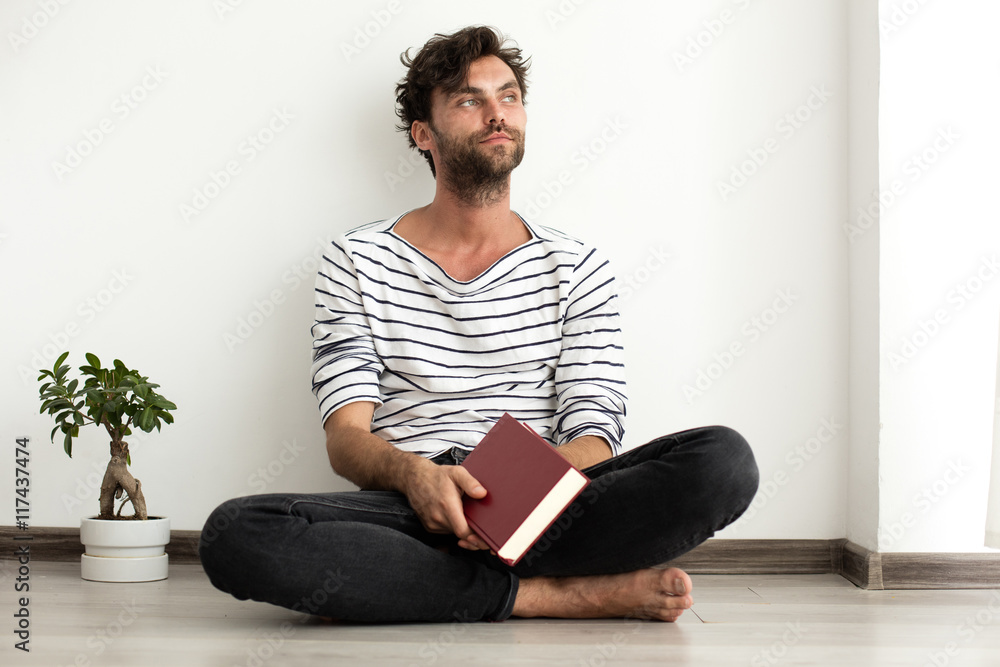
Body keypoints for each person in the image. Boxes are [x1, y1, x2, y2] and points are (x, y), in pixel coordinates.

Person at [199, 25, 759, 624]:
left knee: (723, 460)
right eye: (470, 99)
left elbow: (594, 430)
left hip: (547, 506)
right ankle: (555, 595)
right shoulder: (356, 259)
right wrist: (418, 478)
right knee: (237, 532)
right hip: (413, 507)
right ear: (424, 133)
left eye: (509, 96)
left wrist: (510, 504)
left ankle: (423, 586)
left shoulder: (577, 266)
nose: (498, 114)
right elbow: (346, 440)